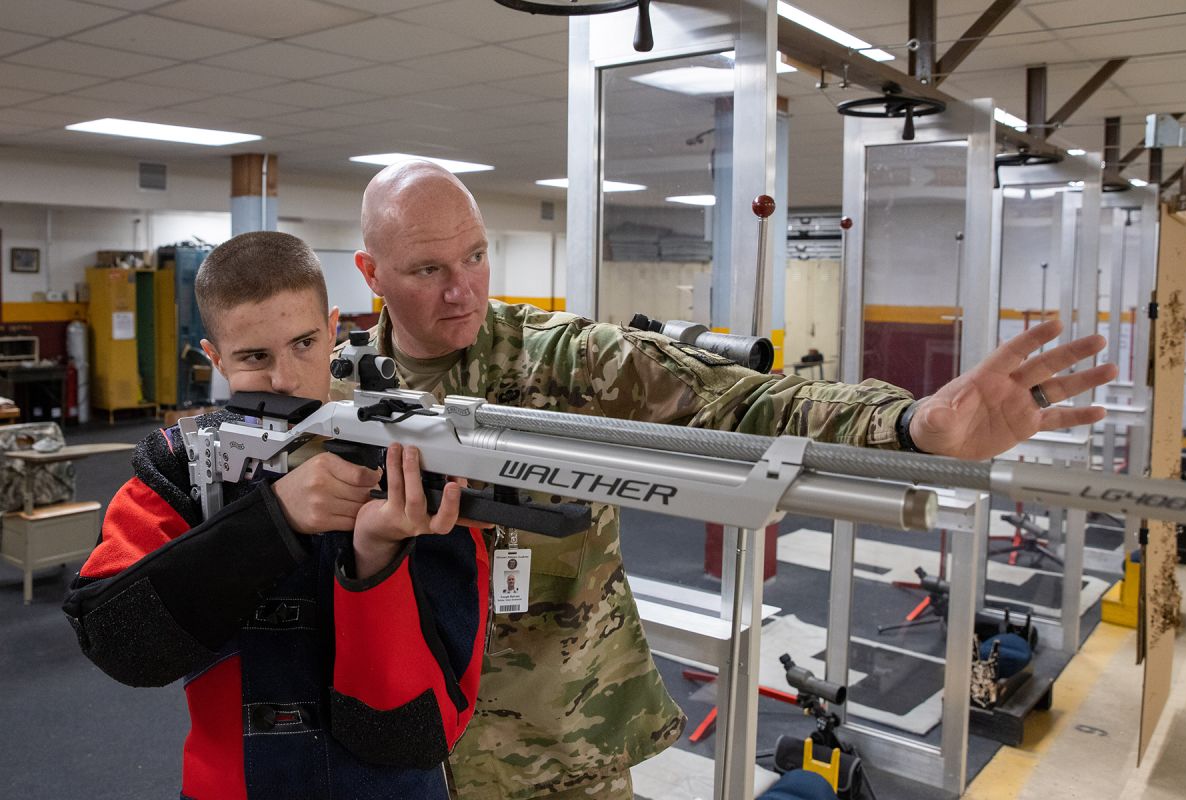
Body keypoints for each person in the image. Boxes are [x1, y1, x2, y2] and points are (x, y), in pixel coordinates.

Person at [343, 162, 1116, 799]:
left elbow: (740, 403)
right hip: (395, 745)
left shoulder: (562, 361)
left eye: (476, 256)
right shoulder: (336, 390)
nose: (463, 289)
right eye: (429, 269)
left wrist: (912, 427)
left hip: (554, 748)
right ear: (371, 273)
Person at [62, 231, 490, 800]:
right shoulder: (181, 463)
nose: (285, 378)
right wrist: (274, 520)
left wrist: (375, 560)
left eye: (305, 343)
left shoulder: (412, 457)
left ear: (333, 329)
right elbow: (118, 642)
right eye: (254, 357)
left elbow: (414, 734)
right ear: (215, 358)